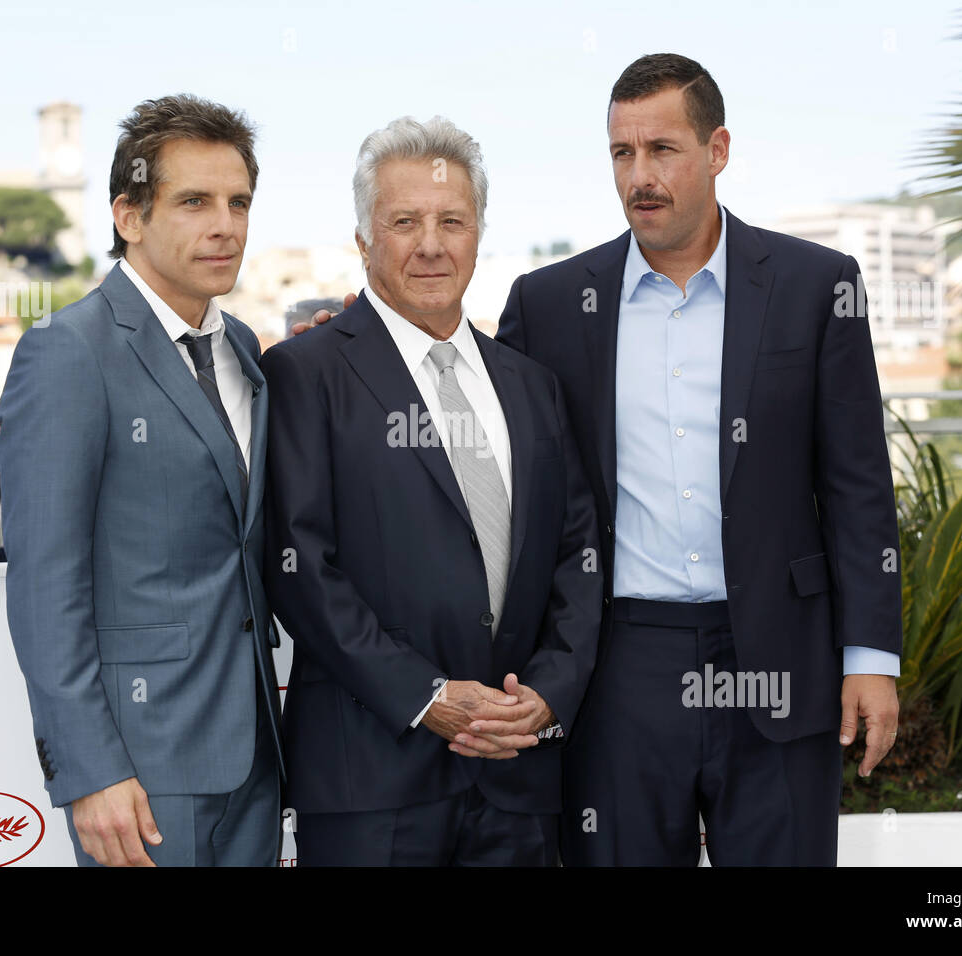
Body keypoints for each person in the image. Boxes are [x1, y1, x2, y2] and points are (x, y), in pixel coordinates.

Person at [299, 54, 902, 866]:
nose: (640, 176)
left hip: (782, 659)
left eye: (663, 150)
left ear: (717, 150)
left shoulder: (816, 284)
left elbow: (859, 483)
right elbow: (457, 398)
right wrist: (348, 333)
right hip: (621, 669)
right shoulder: (550, 304)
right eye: (622, 153)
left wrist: (869, 657)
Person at [262, 116, 601, 866]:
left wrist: (547, 693)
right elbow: (300, 566)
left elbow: (578, 552)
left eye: (453, 221)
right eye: (404, 221)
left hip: (518, 773)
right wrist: (428, 698)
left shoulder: (531, 384)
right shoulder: (306, 372)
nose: (431, 244)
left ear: (479, 233)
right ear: (363, 239)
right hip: (370, 779)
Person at [0, 93, 282, 867]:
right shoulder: (68, 352)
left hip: (258, 751)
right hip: (141, 769)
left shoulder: (244, 348)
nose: (225, 225)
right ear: (129, 216)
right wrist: (90, 771)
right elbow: (44, 585)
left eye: (238, 202)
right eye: (193, 201)